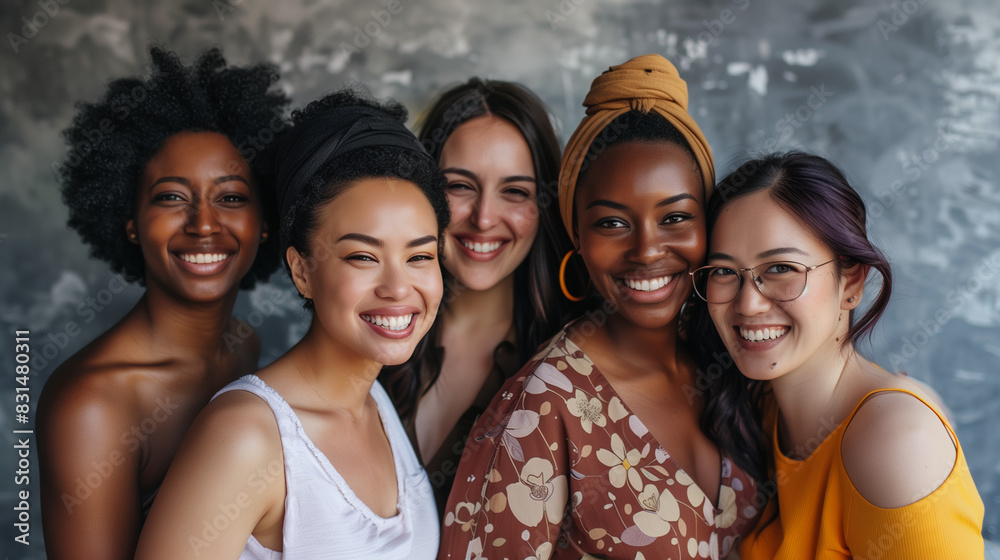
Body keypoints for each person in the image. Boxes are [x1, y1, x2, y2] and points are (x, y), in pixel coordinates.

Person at [437, 54, 764, 560]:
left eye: (675, 217)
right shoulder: (539, 410)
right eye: (613, 223)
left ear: (708, 225)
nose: (648, 250)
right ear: (577, 237)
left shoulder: (733, 360)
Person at [135, 90, 449, 559]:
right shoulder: (247, 436)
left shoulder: (377, 402)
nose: (398, 287)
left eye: (420, 256)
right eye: (363, 256)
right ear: (302, 270)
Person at [37, 46, 288, 560]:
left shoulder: (242, 343)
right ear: (130, 220)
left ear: (265, 223)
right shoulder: (92, 406)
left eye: (232, 197)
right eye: (172, 197)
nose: (202, 224)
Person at [688, 151, 985, 558]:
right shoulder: (758, 408)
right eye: (724, 272)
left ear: (852, 283)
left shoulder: (897, 441)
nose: (748, 304)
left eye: (780, 268)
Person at [379, 78, 579, 510]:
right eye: (460, 186)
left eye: (515, 192)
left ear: (544, 206)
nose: (484, 218)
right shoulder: (370, 330)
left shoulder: (577, 359)